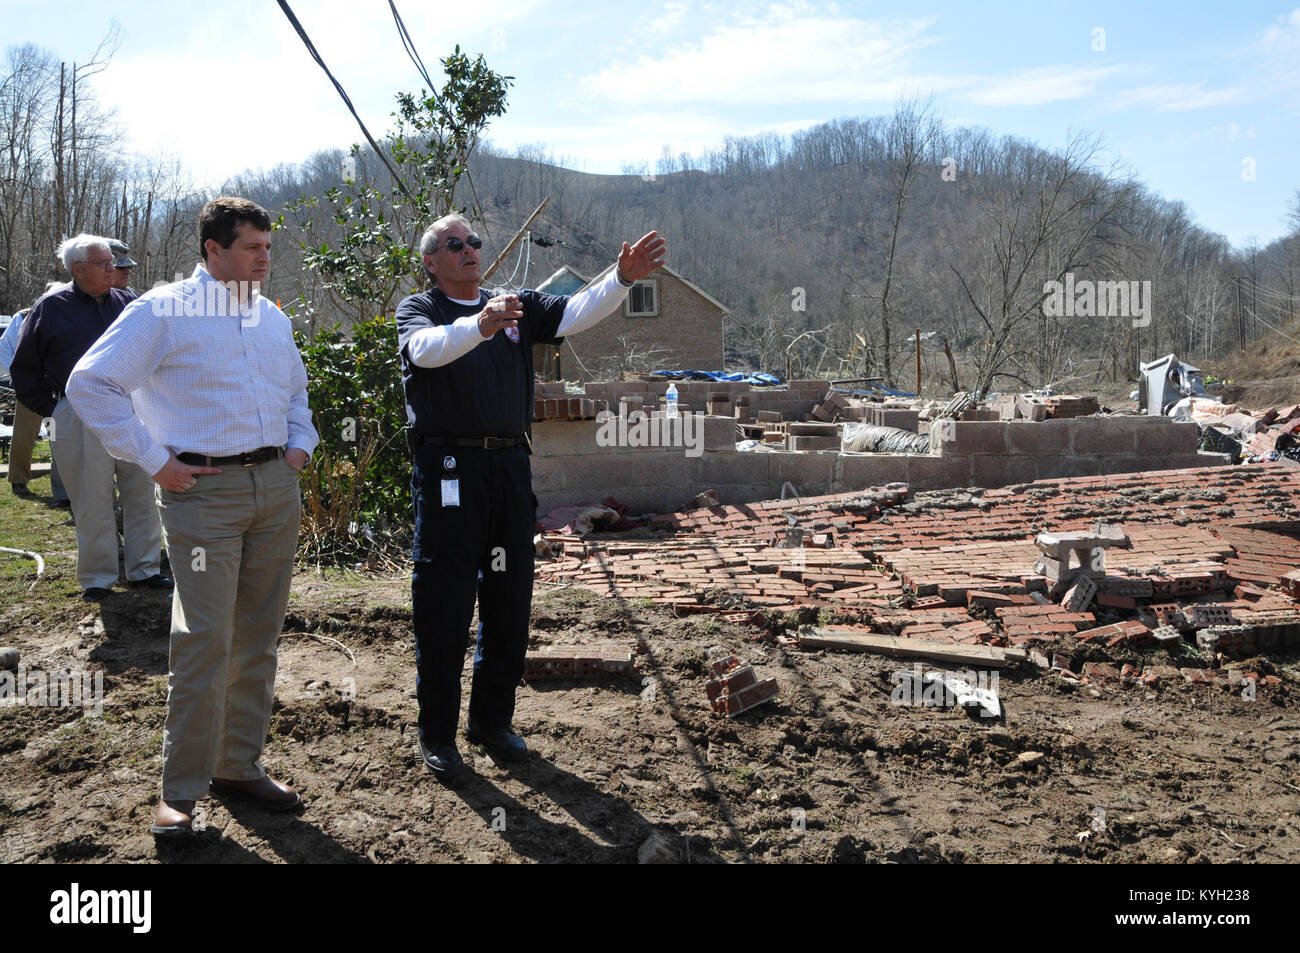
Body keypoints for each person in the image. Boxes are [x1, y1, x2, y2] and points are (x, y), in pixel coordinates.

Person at [66, 196, 319, 836]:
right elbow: (90, 383)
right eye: (252, 247)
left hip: (273, 490)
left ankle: (239, 766)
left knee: (258, 636)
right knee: (204, 640)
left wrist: (299, 445)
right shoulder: (163, 310)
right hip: (202, 495)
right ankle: (179, 792)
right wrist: (154, 461)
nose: (266, 257)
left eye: (268, 246)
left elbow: (295, 389)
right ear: (213, 250)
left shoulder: (270, 319)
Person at [396, 212, 666, 780]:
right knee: (444, 604)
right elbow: (426, 353)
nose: (469, 249)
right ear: (432, 262)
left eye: (473, 241)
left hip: (509, 468)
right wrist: (481, 326)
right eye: (455, 244)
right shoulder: (421, 311)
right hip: (449, 470)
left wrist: (619, 279)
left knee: (509, 599)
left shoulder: (514, 304)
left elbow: (574, 312)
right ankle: (438, 734)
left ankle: (492, 722)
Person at [10, 236, 164, 598]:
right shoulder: (50, 307)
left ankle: (145, 569)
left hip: (131, 408)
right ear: (78, 270)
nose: (115, 269)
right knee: (91, 499)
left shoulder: (128, 302)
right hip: (76, 412)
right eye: (105, 264)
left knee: (142, 489)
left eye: (113, 263)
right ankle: (98, 578)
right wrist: (55, 410)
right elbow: (24, 367)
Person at [3, 298, 70, 503]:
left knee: (58, 436)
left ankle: (64, 489)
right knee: (24, 435)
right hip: (31, 389)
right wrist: (20, 376)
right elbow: (4, 349)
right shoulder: (23, 316)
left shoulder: (67, 315)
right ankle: (18, 480)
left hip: (54, 389)